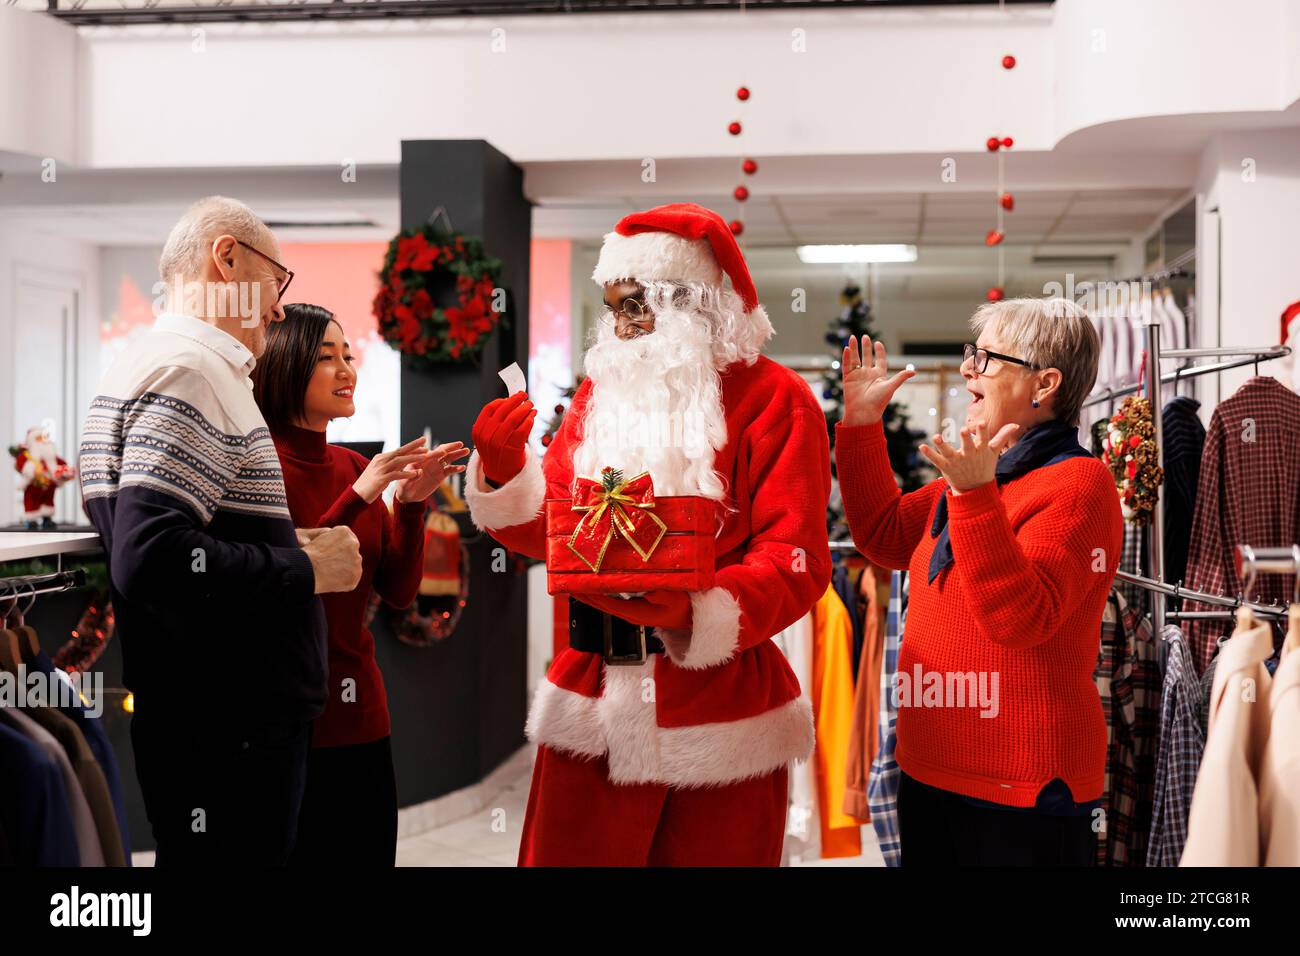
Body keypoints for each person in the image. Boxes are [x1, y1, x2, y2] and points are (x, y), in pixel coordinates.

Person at [464, 202, 831, 866]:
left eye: (635, 305)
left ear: (687, 304)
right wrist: (502, 473)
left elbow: (796, 559)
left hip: (722, 712)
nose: (621, 328)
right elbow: (555, 534)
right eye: (612, 309)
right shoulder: (598, 396)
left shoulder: (778, 398)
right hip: (594, 701)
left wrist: (694, 610)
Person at [78, 197, 363, 866]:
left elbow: (181, 537)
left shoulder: (153, 364)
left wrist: (290, 547)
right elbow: (149, 558)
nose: (277, 309)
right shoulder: (193, 371)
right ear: (226, 257)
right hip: (233, 725)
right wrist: (307, 571)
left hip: (203, 717)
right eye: (275, 282)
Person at [835, 295, 1122, 866]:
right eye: (972, 354)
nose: (968, 369)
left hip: (1022, 789)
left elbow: (1022, 619)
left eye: (987, 358)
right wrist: (862, 424)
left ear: (1044, 384)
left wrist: (973, 496)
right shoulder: (985, 474)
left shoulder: (1080, 484)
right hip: (930, 768)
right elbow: (885, 537)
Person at [252, 303, 468, 866]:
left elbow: (397, 593)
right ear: (284, 367)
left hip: (363, 712)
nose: (347, 369)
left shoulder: (352, 465)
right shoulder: (259, 473)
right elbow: (287, 578)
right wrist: (363, 496)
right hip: (288, 720)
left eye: (348, 355)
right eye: (327, 358)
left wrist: (413, 507)